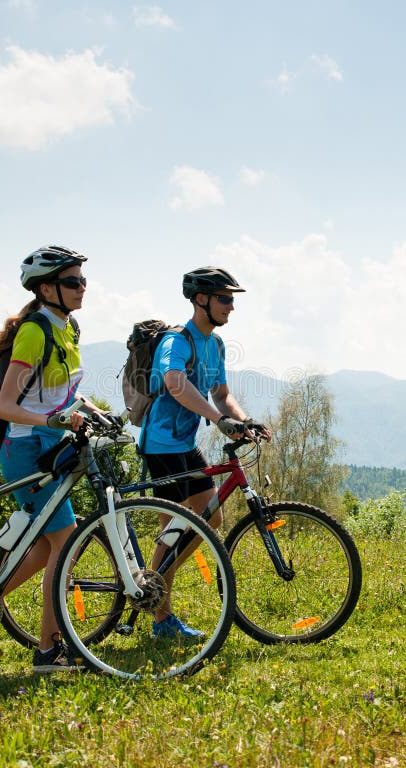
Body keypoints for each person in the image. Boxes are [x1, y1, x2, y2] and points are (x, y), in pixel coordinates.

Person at [0, 245, 107, 672]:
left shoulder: (68, 327)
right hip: (26, 451)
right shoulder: (34, 332)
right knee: (66, 542)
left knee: (48, 547)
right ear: (46, 289)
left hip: (50, 448)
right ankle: (48, 651)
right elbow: (7, 406)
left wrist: (93, 410)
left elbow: (60, 390)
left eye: (82, 280)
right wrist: (58, 420)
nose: (82, 288)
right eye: (72, 281)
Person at [139, 266, 271, 637]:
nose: (231, 306)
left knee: (209, 518)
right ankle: (160, 617)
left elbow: (222, 394)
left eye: (232, 299)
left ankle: (156, 580)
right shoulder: (177, 341)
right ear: (201, 300)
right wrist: (217, 420)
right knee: (172, 528)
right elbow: (175, 384)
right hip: (161, 446)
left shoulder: (215, 345)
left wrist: (243, 421)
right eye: (224, 299)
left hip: (185, 444)